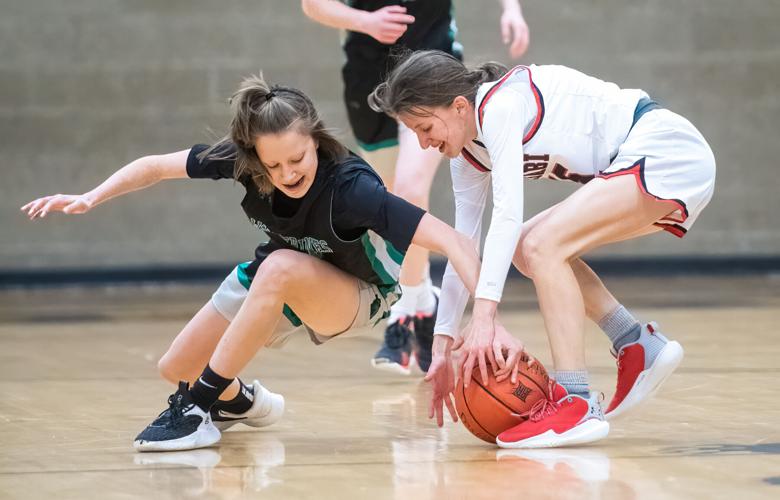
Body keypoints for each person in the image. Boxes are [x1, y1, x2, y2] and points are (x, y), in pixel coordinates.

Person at [21, 74, 492, 452]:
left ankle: (197, 410)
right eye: (275, 166)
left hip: (357, 293)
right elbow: (156, 166)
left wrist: (484, 324)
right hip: (279, 273)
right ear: (255, 159)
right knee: (177, 366)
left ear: (315, 140)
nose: (288, 173)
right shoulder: (244, 161)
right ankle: (242, 402)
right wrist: (90, 197)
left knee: (280, 268)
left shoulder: (352, 189)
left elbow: (455, 242)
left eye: (298, 158)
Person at [369, 50, 715, 448]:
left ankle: (576, 402)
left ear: (459, 106)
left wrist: (485, 316)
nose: (423, 142)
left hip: (667, 150)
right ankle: (635, 342)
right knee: (527, 248)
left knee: (540, 243)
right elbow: (462, 247)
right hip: (653, 160)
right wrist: (442, 345)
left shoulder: (499, 105)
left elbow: (507, 212)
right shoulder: (467, 153)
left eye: (425, 127)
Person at [301, 0, 530, 375]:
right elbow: (313, 5)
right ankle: (423, 299)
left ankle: (404, 311)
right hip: (367, 71)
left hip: (430, 69)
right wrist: (364, 20)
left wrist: (512, 10)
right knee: (388, 205)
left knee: (409, 188)